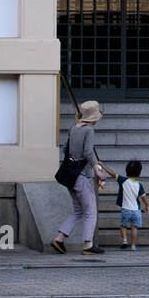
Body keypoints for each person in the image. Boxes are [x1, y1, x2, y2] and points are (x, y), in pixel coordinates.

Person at [51, 100, 108, 257]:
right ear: (93, 118)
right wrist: (96, 169)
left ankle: (59, 238)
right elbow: (88, 152)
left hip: (70, 174)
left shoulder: (73, 128)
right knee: (90, 211)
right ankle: (88, 245)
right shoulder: (89, 130)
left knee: (78, 211)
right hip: (82, 175)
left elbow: (65, 149)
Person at [103, 159, 149, 252]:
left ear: (127, 171)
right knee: (134, 228)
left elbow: (112, 174)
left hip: (126, 209)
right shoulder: (139, 185)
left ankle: (124, 241)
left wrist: (103, 166)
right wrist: (147, 205)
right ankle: (133, 246)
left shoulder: (122, 180)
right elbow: (143, 197)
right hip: (136, 211)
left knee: (123, 225)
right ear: (139, 174)